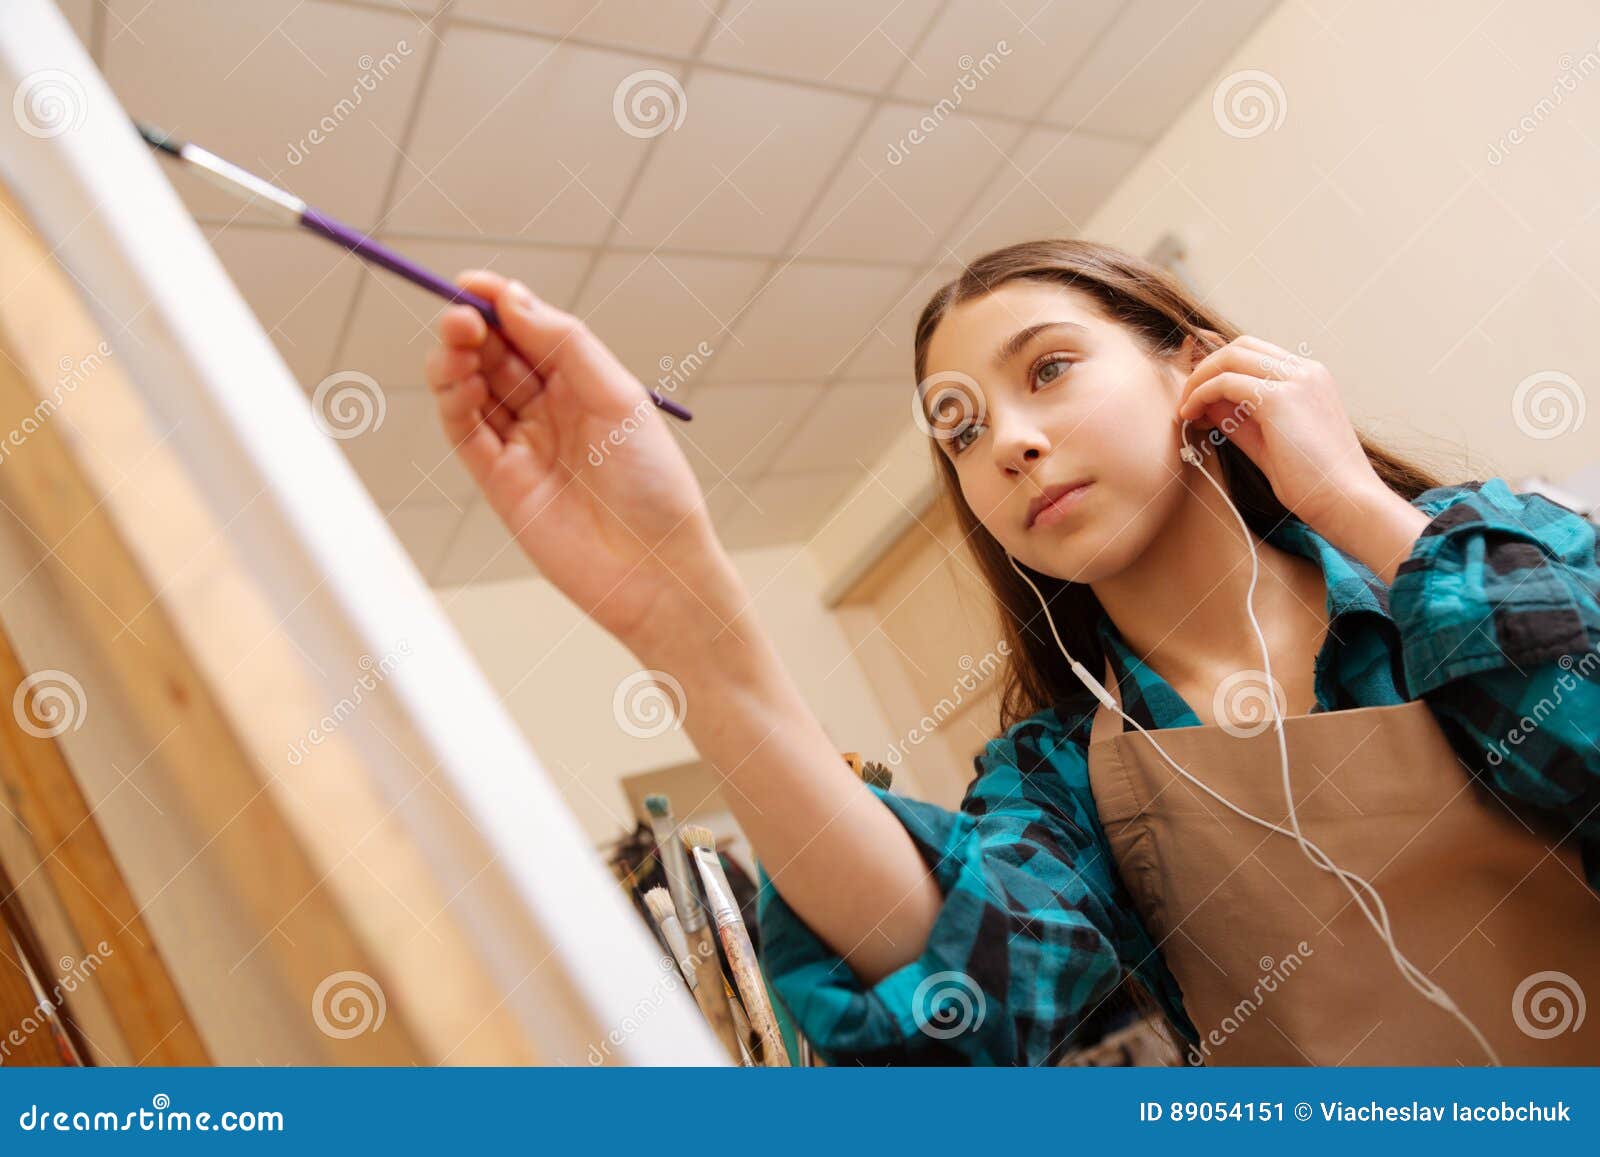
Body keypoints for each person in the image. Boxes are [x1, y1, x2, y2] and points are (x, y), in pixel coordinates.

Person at [423, 238, 1600, 1067]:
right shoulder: (1054, 781)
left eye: (1046, 370)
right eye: (963, 432)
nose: (1013, 445)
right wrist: (692, 633)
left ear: (1191, 363)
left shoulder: (1500, 555)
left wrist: (1348, 497)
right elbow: (969, 992)